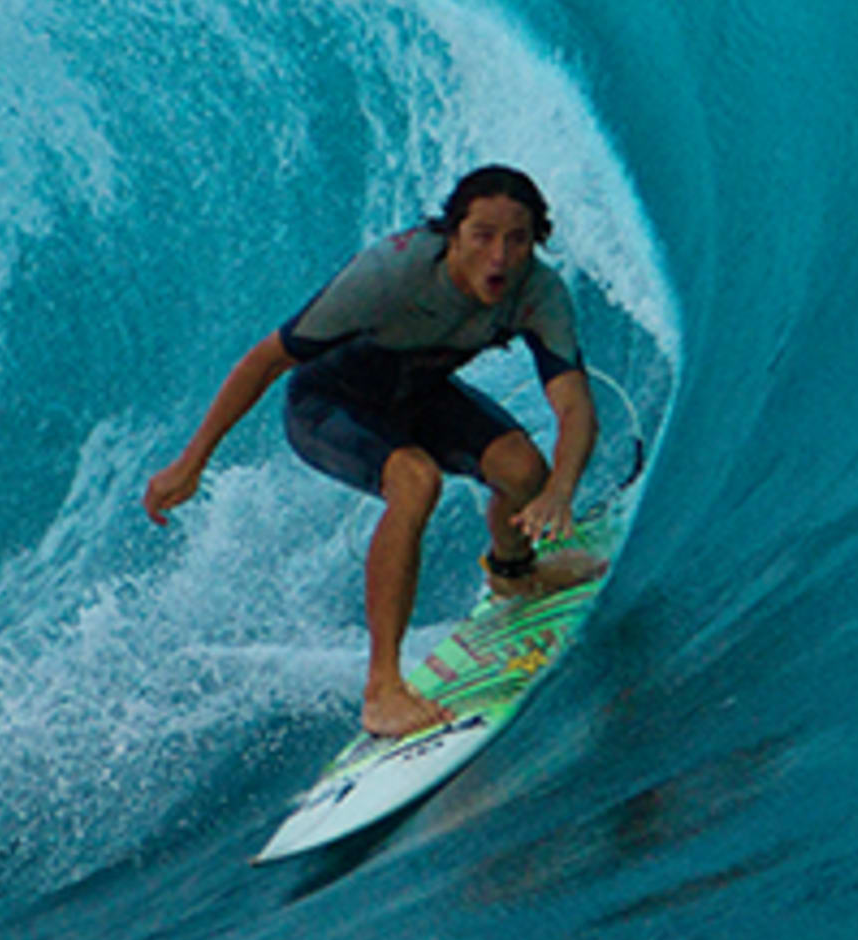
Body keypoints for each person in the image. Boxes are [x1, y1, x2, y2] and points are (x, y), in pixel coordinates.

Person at [144, 162, 601, 739]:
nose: (500, 257)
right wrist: (192, 462)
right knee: (414, 481)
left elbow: (574, 406)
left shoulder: (539, 293)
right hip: (329, 404)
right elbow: (266, 358)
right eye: (482, 236)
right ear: (453, 233)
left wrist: (560, 492)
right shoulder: (394, 272)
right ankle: (382, 690)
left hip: (420, 394)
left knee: (525, 471)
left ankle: (514, 572)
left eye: (517, 239)